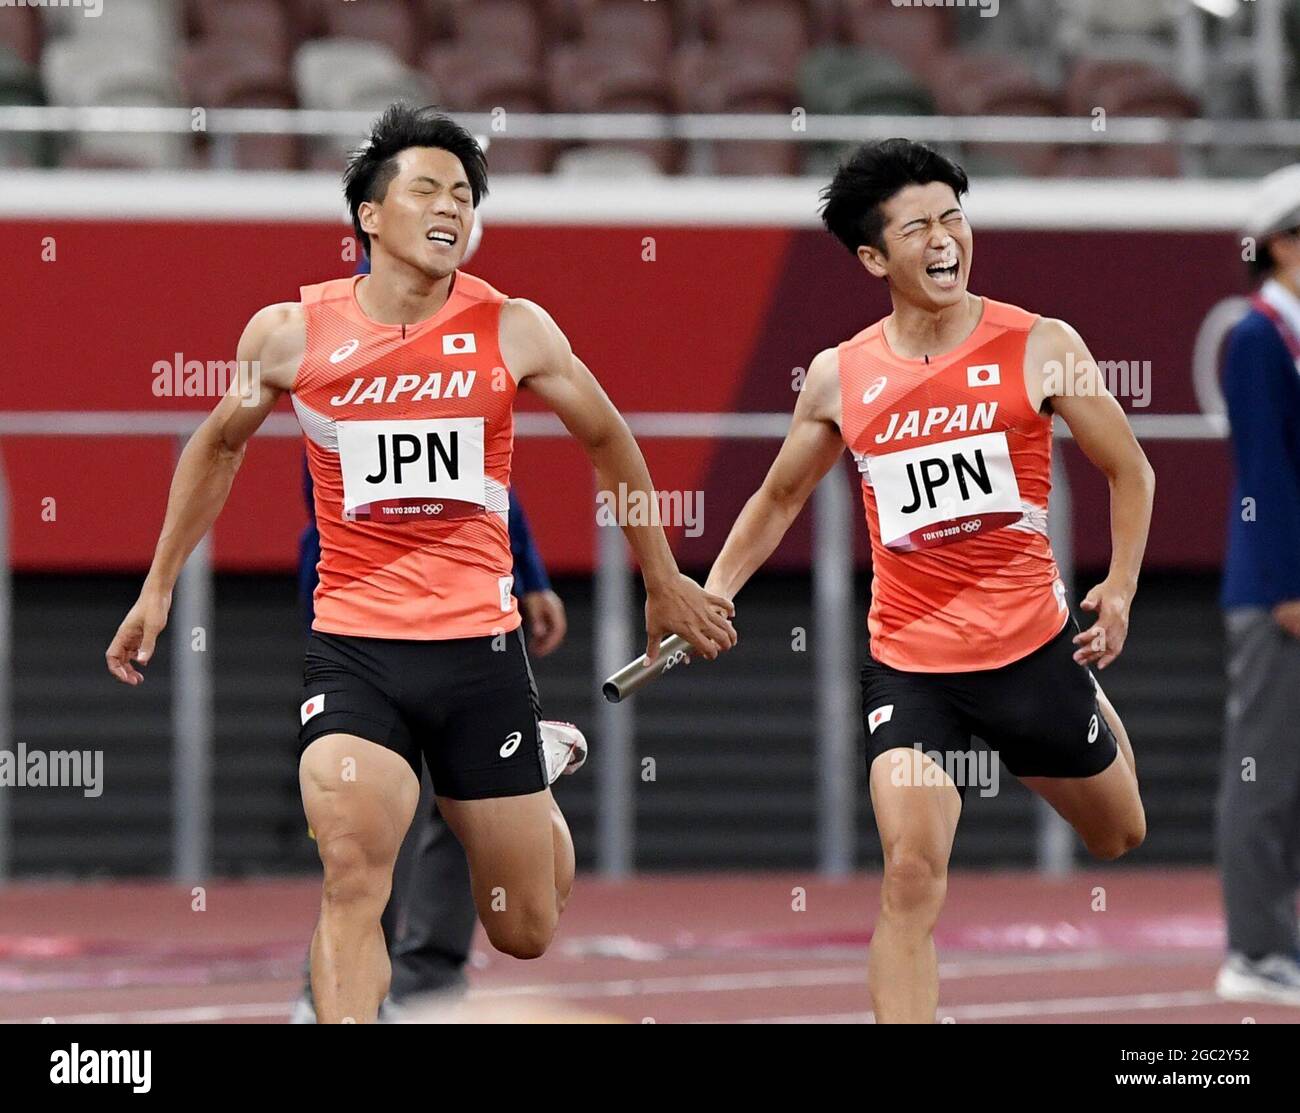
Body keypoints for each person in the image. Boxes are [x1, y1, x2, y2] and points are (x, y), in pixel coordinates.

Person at [105, 103, 736, 1024]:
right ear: (368, 214)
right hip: (353, 645)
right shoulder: (289, 333)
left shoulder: (512, 327)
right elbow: (217, 447)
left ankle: (539, 779)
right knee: (355, 868)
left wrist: (663, 579)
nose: (453, 207)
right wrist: (158, 586)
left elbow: (608, 438)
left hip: (479, 652)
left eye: (466, 195)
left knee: (524, 926)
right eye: (429, 188)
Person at [704, 139, 1152, 1023]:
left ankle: (1086, 702)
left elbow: (1130, 469)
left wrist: (1125, 587)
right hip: (911, 666)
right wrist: (712, 590)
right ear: (875, 257)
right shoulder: (841, 374)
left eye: (954, 216)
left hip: (1031, 652)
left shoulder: (1039, 344)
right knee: (909, 871)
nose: (946, 238)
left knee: (1117, 834)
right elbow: (778, 495)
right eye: (919, 227)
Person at [292, 468, 567, 1022]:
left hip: (464, 628)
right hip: (359, 617)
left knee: (473, 839)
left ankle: (428, 983)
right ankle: (339, 995)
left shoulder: (467, 385)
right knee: (358, 831)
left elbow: (492, 485)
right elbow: (314, 480)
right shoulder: (326, 384)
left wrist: (530, 574)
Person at [1214, 164, 1300, 1006]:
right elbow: (1264, 475)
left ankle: (1280, 935)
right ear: (1282, 244)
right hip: (1277, 592)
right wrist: (1284, 585)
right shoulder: (1257, 337)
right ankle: (1253, 946)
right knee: (1263, 772)